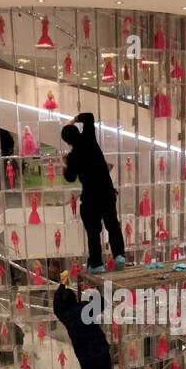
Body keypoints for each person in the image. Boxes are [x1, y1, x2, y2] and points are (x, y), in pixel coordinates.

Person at [53, 272, 120, 369]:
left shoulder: (65, 316)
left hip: (87, 357)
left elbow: (56, 305)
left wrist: (62, 284)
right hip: (101, 349)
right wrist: (92, 293)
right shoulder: (84, 308)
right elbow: (103, 303)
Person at [61, 112, 125, 273]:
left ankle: (97, 264)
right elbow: (89, 116)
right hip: (107, 191)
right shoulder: (89, 138)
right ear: (77, 130)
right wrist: (73, 120)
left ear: (67, 142)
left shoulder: (73, 157)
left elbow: (69, 177)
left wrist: (65, 164)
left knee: (93, 230)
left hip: (91, 197)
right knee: (112, 223)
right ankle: (119, 256)